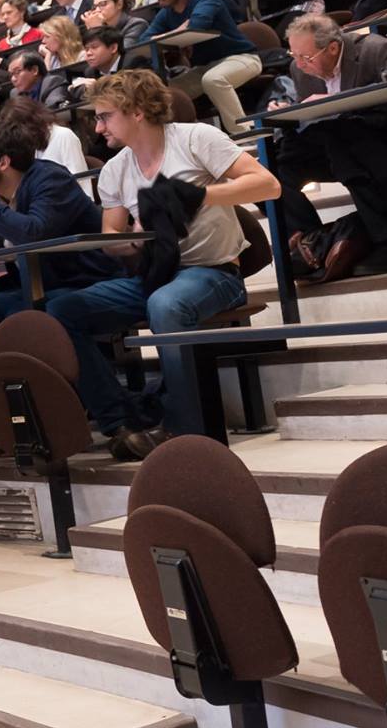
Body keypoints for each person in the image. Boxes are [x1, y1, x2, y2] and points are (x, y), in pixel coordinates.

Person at [44, 70, 279, 458]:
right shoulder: (115, 169)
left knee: (165, 304)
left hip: (214, 271)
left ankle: (187, 431)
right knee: (61, 310)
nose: (98, 128)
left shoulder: (196, 138)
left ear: (136, 112)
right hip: (155, 274)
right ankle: (121, 420)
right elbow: (111, 239)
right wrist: (134, 238)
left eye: (105, 116)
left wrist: (197, 195)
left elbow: (268, 185)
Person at [0, 119, 113, 378]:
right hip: (33, 286)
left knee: (21, 318)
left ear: (3, 162)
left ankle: (101, 401)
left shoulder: (50, 179)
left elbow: (34, 234)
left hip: (83, 280)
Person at [266, 14, 387, 279]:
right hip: (334, 143)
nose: (299, 64)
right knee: (269, 170)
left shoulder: (376, 50)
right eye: (293, 55)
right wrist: (288, 111)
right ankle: (314, 239)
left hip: (384, 138)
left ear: (332, 48)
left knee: (342, 143)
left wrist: (338, 101)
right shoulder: (299, 69)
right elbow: (313, 114)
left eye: (306, 57)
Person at [146, 0, 263, 132]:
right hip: (203, 68)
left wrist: (167, 35)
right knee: (163, 93)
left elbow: (198, 25)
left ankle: (245, 134)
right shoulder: (166, 12)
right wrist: (178, 30)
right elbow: (145, 40)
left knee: (213, 79)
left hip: (241, 58)